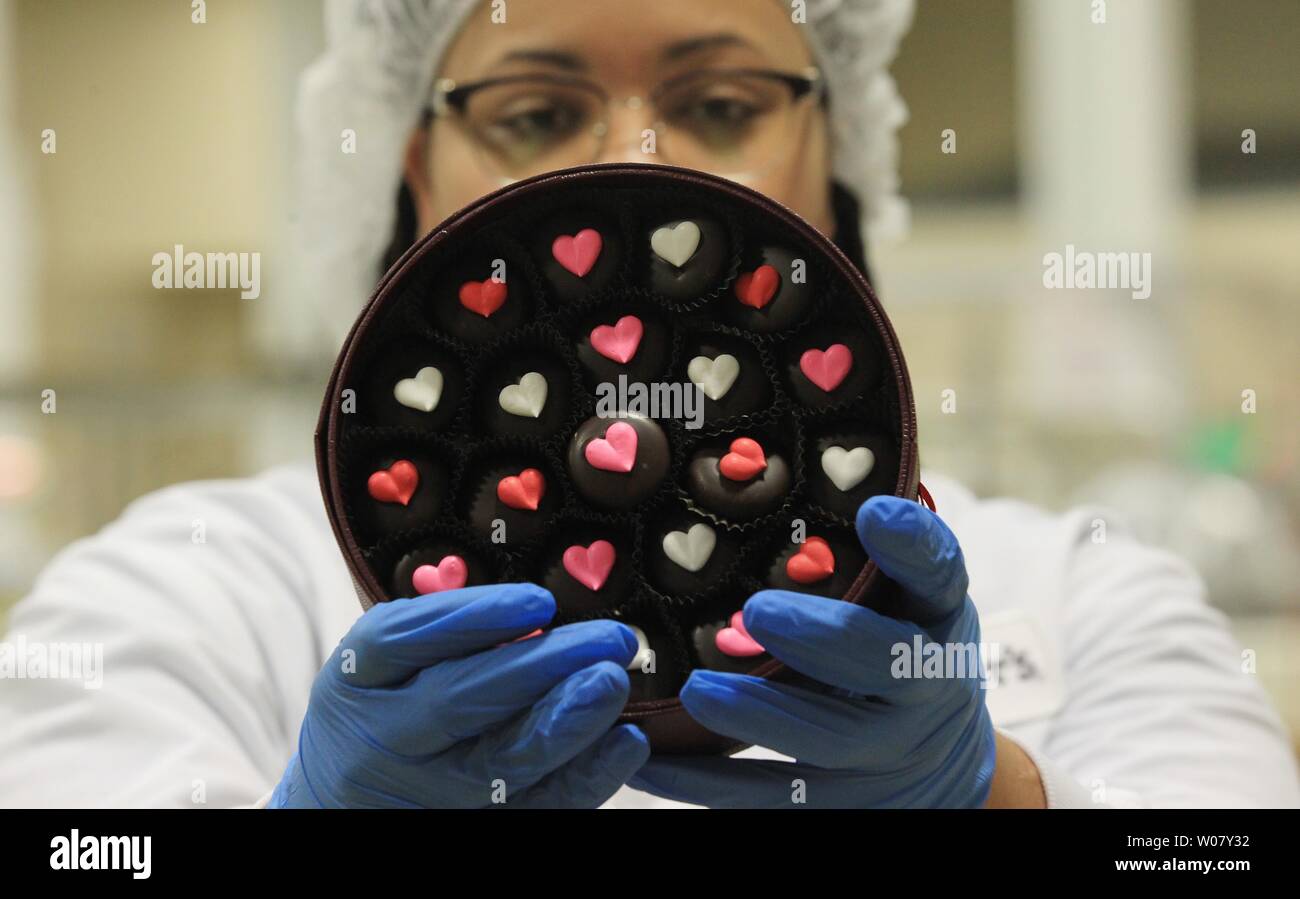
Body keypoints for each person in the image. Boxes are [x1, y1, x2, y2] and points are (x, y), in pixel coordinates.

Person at [1, 0, 1296, 809]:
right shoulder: (185, 594)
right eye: (535, 111)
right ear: (413, 170)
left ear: (838, 153)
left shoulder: (1090, 594)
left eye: (720, 104)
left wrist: (991, 798)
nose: (633, 159)